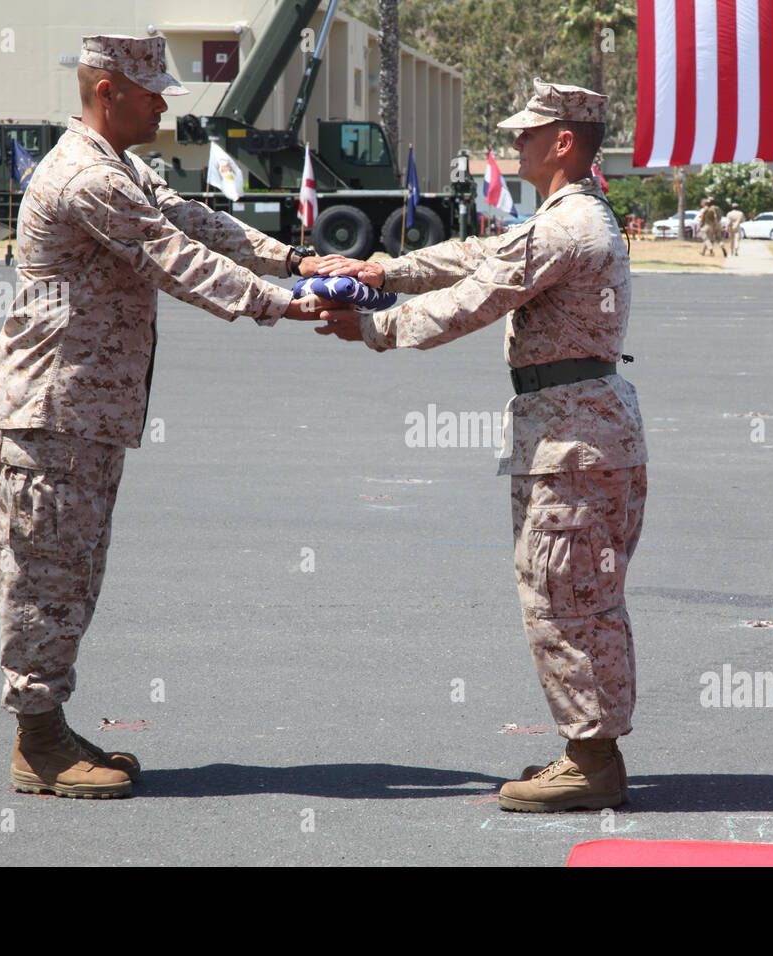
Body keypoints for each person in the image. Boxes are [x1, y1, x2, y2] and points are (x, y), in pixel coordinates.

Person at [0, 33, 337, 799]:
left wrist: (293, 260)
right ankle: (37, 741)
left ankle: (47, 725)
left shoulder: (123, 167)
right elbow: (171, 257)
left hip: (86, 412)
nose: (162, 100)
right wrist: (281, 303)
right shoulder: (88, 176)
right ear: (107, 89)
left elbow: (192, 220)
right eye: (150, 88)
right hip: (54, 409)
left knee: (71, 573)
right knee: (46, 575)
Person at [307, 78, 647, 812]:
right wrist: (383, 271)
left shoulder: (568, 227)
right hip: (572, 430)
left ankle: (593, 760)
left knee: (567, 597)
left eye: (528, 133)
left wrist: (376, 325)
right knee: (580, 592)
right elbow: (476, 256)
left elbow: (477, 298)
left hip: (574, 441)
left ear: (563, 141)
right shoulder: (567, 216)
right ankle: (591, 748)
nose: (515, 142)